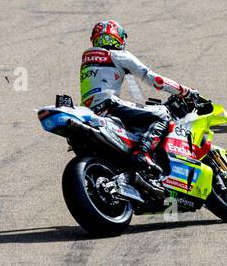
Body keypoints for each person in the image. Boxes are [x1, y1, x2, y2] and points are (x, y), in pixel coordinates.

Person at [80, 20, 197, 186]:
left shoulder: (87, 57)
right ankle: (144, 153)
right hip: (109, 104)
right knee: (162, 114)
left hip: (91, 110)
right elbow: (155, 80)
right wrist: (184, 91)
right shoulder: (117, 55)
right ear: (117, 37)